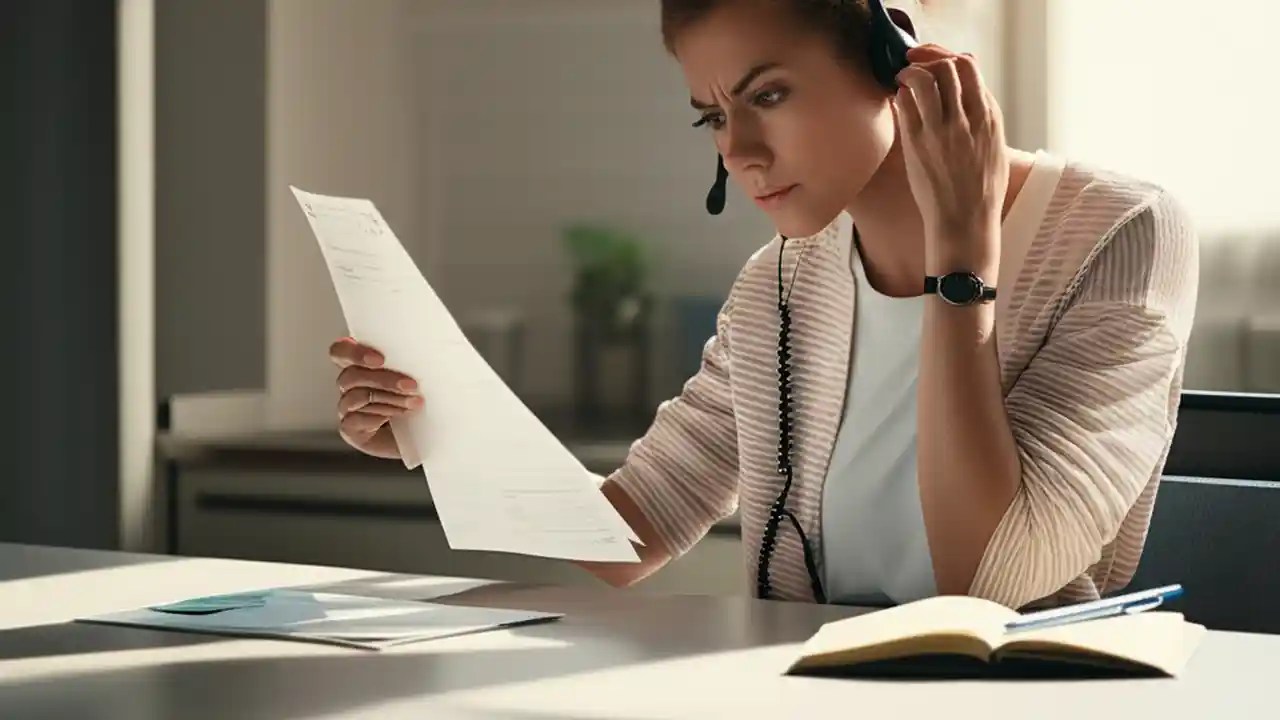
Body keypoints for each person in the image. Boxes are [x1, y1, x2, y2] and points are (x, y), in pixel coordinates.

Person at [327, 0, 1199, 611]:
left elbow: (991, 572)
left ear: (898, 61)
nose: (738, 150)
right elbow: (629, 536)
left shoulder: (1122, 230)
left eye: (769, 95)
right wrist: (434, 426)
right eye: (710, 116)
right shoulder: (781, 285)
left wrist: (961, 258)